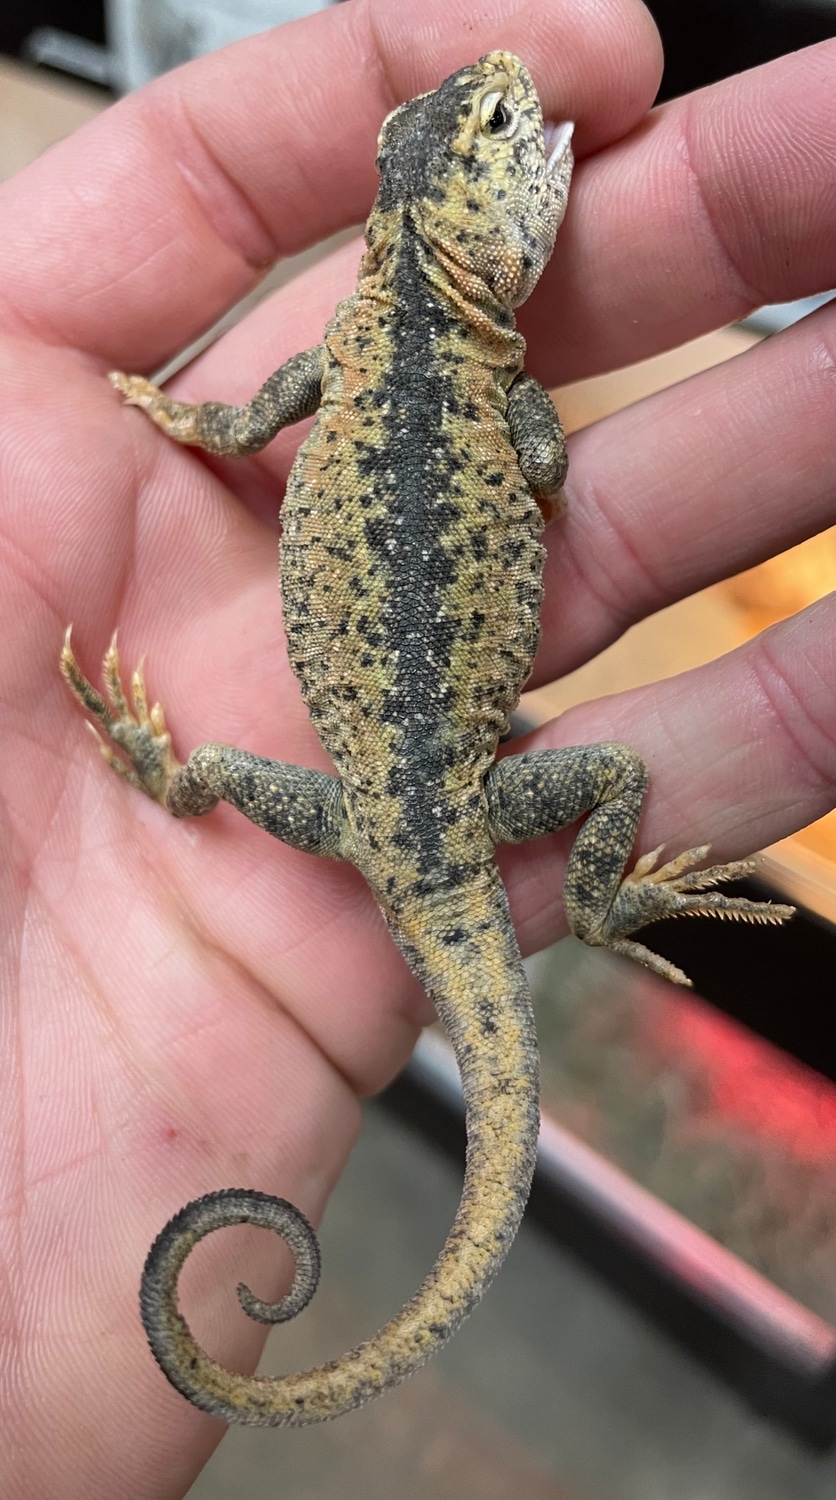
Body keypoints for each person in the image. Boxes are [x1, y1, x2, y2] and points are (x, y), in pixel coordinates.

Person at [1, 0, 833, 1490]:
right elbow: (549, 473)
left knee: (563, 783)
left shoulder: (340, 347)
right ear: (453, 222)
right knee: (620, 784)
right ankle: (598, 900)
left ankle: (170, 768)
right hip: (406, 801)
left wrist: (182, 422)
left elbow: (248, 414)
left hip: (382, 807)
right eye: (507, 146)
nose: (530, 137)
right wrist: (522, 412)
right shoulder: (488, 384)